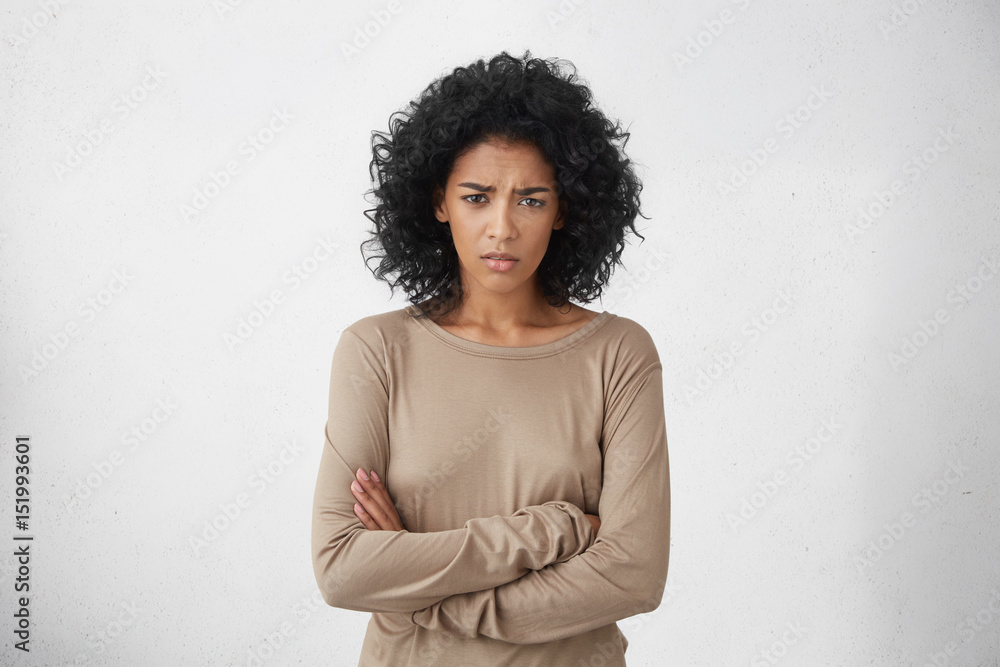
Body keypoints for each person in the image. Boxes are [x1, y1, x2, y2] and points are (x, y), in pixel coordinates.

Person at [311, 50, 670, 666]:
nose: (502, 227)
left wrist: (421, 595)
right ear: (439, 202)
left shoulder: (618, 354)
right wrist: (556, 529)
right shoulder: (377, 351)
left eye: (530, 200)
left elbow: (632, 575)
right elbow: (342, 568)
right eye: (477, 197)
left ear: (564, 209)